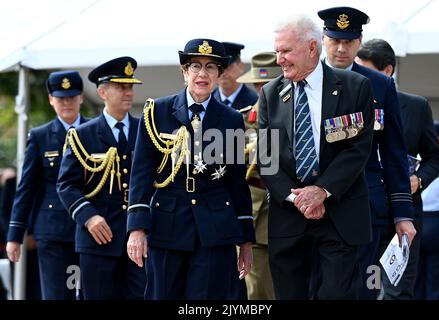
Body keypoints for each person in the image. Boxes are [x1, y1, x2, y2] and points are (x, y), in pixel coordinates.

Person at [126, 38, 255, 300]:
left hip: (215, 228)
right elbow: (141, 174)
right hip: (167, 224)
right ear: (184, 72)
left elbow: (236, 182)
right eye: (195, 66)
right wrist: (136, 229)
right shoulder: (157, 112)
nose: (202, 74)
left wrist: (245, 240)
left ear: (220, 74)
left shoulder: (231, 118)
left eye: (211, 67)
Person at [258, 14, 374, 300]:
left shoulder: (355, 87)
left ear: (311, 48)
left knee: (336, 294)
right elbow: (267, 158)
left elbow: (357, 149)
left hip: (340, 213)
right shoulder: (270, 94)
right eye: (277, 51)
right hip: (289, 216)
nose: (279, 59)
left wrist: (321, 191)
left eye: (286, 51)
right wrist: (298, 198)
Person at [318, 6, 416, 299]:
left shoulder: (380, 85)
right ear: (323, 38)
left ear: (359, 41)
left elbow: (394, 153)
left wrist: (402, 213)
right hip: (312, 204)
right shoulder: (304, 80)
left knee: (361, 289)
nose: (340, 48)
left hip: (365, 203)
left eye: (348, 41)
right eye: (334, 40)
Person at [355, 38, 439, 299]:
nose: (359, 77)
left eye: (366, 70)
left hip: (403, 216)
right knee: (368, 288)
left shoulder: (415, 107)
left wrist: (419, 179)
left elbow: (434, 157)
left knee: (397, 291)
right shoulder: (350, 102)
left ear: (387, 71)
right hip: (365, 214)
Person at [57, 57, 146, 300]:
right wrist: (88, 217)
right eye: (121, 87)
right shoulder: (82, 135)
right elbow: (66, 185)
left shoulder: (146, 131)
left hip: (137, 239)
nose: (128, 93)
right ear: (102, 92)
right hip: (97, 240)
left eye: (130, 87)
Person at [5, 71, 89, 300]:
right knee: (56, 294)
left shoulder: (95, 130)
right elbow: (26, 189)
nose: (67, 103)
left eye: (72, 97)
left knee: (88, 292)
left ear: (81, 97)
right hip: (53, 230)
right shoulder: (41, 136)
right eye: (61, 98)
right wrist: (14, 236)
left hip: (91, 227)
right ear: (51, 99)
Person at [236, 51, 281, 300]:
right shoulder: (241, 120)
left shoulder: (299, 118)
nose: (263, 90)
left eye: (269, 84)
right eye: (259, 85)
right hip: (256, 213)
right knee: (258, 292)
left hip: (295, 212)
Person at [415, 121, 439, 300]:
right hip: (438, 225)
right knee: (438, 280)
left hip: (414, 221)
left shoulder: (412, 162)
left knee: (415, 278)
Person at [213, 42, 258, 110]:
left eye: (228, 67)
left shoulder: (255, 102)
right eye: (219, 67)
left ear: (241, 66)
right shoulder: (207, 101)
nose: (223, 73)